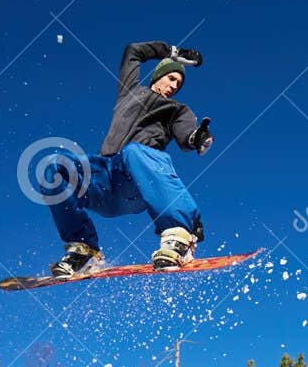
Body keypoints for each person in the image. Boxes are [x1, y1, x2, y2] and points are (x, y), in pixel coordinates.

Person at [46, 40, 215, 277]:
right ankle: (83, 250)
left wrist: (197, 138)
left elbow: (186, 135)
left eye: (178, 83)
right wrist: (173, 53)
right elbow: (133, 52)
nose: (174, 86)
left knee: (134, 152)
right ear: (158, 76)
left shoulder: (178, 110)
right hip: (103, 182)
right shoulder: (130, 90)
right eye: (171, 78)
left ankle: (179, 234)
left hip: (135, 183)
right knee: (56, 165)